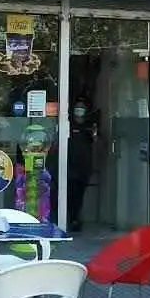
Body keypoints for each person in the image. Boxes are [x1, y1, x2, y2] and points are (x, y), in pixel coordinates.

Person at [67, 96, 94, 232]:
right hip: (69, 167)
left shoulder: (88, 127)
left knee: (79, 196)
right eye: (77, 109)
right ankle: (72, 219)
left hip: (84, 168)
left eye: (81, 109)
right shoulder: (69, 125)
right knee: (70, 194)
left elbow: (96, 143)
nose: (79, 111)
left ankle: (75, 219)